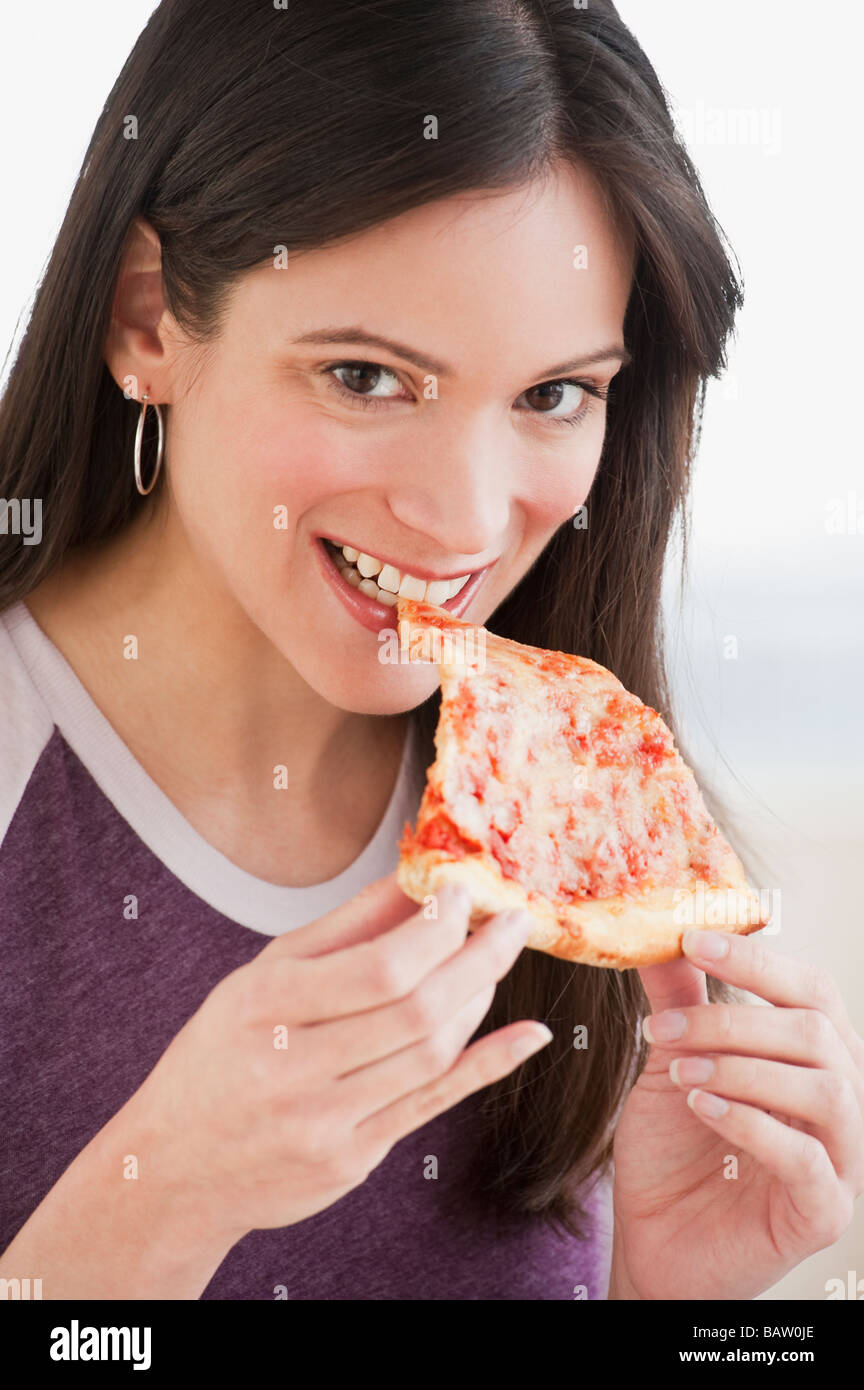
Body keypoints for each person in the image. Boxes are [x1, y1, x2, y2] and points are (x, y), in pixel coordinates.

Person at [0, 0, 861, 1301]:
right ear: (146, 318)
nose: (465, 517)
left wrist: (668, 1296)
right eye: (366, 376)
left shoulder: (568, 811)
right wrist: (164, 1192)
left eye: (553, 394)